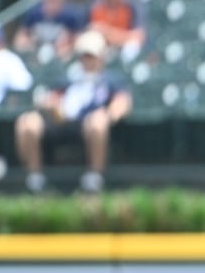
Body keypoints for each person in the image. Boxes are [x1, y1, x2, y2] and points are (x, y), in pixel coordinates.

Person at [14, 29, 131, 194]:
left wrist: (109, 114)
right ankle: (35, 178)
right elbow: (51, 98)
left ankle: (94, 178)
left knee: (98, 122)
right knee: (27, 121)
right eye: (84, 55)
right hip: (60, 119)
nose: (87, 60)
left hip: (89, 123)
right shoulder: (69, 78)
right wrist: (52, 106)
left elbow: (122, 101)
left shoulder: (110, 80)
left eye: (91, 55)